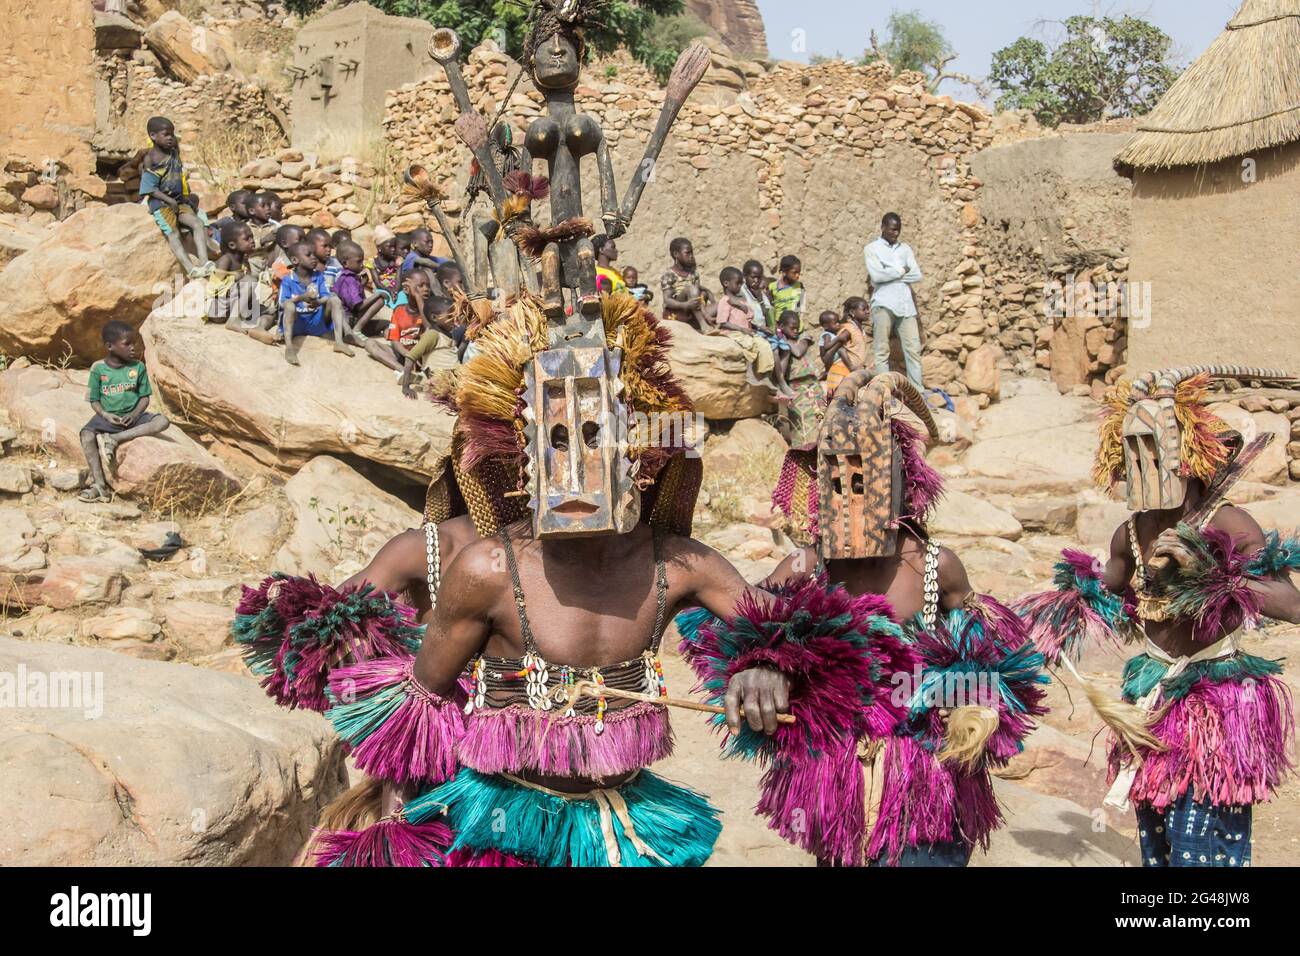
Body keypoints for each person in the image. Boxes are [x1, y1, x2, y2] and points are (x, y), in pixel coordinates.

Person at [235, 289, 913, 868]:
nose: (578, 464)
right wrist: (393, 815)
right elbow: (421, 707)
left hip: (624, 825)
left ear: (638, 451)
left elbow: (812, 647)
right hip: (500, 820)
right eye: (558, 441)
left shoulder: (683, 563)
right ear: (524, 456)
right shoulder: (486, 570)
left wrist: (765, 664)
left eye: (597, 436)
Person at [757, 370, 1048, 866]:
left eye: (863, 476)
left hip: (925, 779)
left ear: (898, 483)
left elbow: (1001, 672)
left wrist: (960, 703)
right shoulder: (806, 567)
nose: (848, 492)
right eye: (835, 477)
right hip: (837, 776)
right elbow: (743, 627)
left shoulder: (937, 567)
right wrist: (763, 665)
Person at [1017, 367, 1300, 868]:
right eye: (1135, 453)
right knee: (1159, 835)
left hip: (1214, 702)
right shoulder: (1129, 531)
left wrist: (1211, 570)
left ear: (1188, 457)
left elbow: (1291, 603)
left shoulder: (1227, 523)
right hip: (1151, 699)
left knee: (1206, 837)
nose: (1144, 464)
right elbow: (1110, 586)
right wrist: (1060, 610)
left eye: (1154, 450)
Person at [78, 321, 171, 503]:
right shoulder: (98, 368)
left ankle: (115, 439)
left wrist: (135, 415)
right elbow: (94, 400)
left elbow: (144, 397)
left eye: (134, 343)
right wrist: (105, 414)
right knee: (86, 435)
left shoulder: (138, 367)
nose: (133, 348)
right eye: (127, 344)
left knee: (162, 422)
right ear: (110, 346)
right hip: (108, 417)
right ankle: (99, 486)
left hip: (132, 417)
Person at [139, 116, 211, 279]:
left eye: (172, 134)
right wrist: (169, 201)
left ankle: (205, 263)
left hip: (179, 202)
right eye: (166, 134)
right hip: (162, 203)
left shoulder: (173, 154)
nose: (171, 137)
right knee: (173, 233)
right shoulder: (151, 159)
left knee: (198, 223)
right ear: (153, 136)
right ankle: (190, 268)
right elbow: (149, 189)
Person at [706, 266, 788, 398]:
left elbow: (750, 317)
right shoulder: (724, 301)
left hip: (746, 331)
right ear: (726, 284)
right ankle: (750, 374)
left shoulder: (741, 299)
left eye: (741, 283)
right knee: (749, 344)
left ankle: (766, 376)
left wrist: (760, 328)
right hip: (733, 333)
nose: (740, 286)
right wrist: (742, 329)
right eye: (737, 283)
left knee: (763, 344)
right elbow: (722, 323)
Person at [865, 212, 924, 390]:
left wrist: (888, 273)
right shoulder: (872, 249)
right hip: (883, 303)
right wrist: (900, 272)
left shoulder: (905, 249)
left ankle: (918, 395)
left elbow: (916, 274)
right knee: (882, 351)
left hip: (906, 305)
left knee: (913, 350)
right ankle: (884, 393)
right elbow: (876, 276)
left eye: (898, 230)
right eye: (892, 229)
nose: (895, 233)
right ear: (882, 227)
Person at [278, 240, 353, 365]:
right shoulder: (288, 280)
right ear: (295, 260)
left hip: (316, 322)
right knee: (290, 306)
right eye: (308, 255)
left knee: (334, 299)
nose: (314, 258)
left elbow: (325, 296)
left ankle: (339, 342)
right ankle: (289, 347)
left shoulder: (318, 276)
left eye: (314, 255)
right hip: (298, 324)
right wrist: (301, 298)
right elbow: (282, 303)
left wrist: (318, 302)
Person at [774, 310, 822, 448]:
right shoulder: (780, 345)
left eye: (797, 327)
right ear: (782, 326)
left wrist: (783, 340)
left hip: (813, 385)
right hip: (796, 388)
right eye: (792, 328)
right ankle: (803, 457)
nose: (795, 330)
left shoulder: (804, 338)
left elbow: (798, 351)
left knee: (821, 420)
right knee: (801, 423)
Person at [206, 221, 260, 331]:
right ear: (232, 245)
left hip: (230, 306)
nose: (252, 241)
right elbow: (214, 286)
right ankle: (234, 320)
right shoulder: (225, 260)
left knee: (251, 282)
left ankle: (239, 315)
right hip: (218, 311)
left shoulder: (244, 259)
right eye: (247, 239)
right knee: (249, 280)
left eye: (252, 237)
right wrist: (236, 277)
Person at [401, 294, 458, 398]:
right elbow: (410, 357)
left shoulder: (448, 334)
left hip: (453, 378)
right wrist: (406, 387)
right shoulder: (432, 335)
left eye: (455, 315)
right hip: (440, 382)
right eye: (450, 316)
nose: (454, 318)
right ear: (434, 317)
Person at [822, 296, 870, 396]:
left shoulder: (860, 329)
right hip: (841, 373)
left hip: (852, 373)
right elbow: (833, 351)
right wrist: (827, 368)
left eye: (868, 309)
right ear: (852, 312)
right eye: (864, 309)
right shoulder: (848, 330)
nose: (868, 311)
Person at [660, 237, 710, 326]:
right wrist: (685, 305)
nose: (691, 256)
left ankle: (706, 320)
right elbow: (667, 300)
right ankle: (703, 325)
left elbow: (698, 297)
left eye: (692, 253)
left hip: (692, 311)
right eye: (687, 253)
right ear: (676, 254)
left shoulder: (694, 274)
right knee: (690, 288)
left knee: (714, 303)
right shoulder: (669, 275)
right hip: (676, 312)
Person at [767, 254, 805, 332]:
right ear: (784, 271)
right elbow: (770, 308)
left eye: (799, 272)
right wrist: (775, 327)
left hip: (796, 326)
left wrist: (800, 324)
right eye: (794, 272)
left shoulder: (799, 286)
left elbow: (801, 308)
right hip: (779, 326)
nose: (797, 275)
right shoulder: (772, 287)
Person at [741, 259, 773, 329]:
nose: (756, 280)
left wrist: (761, 301)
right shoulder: (741, 292)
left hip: (762, 330)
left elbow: (766, 316)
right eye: (753, 277)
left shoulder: (761, 294)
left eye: (759, 277)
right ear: (745, 276)